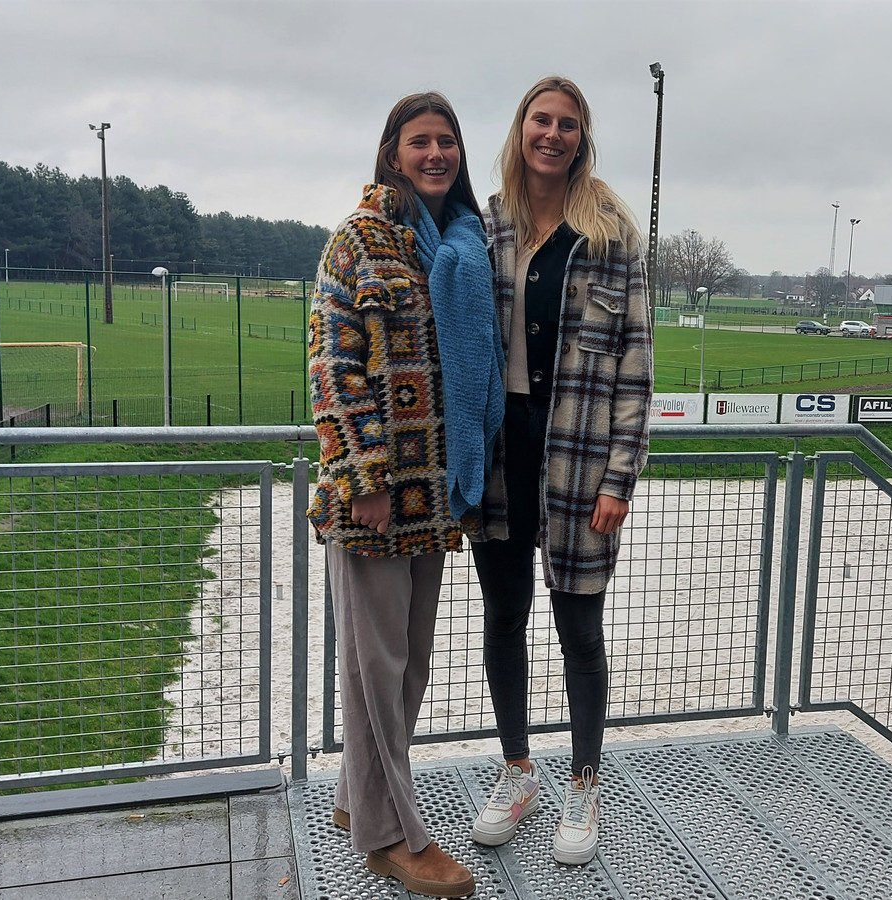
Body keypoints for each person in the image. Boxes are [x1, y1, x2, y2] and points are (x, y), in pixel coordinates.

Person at [308, 91, 503, 899]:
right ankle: (395, 837)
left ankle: (358, 802)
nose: (436, 154)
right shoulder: (359, 240)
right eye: (419, 141)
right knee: (375, 669)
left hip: (435, 500)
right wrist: (365, 478)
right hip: (377, 497)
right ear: (391, 152)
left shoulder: (458, 242)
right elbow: (332, 366)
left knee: (406, 667)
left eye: (447, 141)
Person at [465, 76, 653, 866]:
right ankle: (517, 770)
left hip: (577, 454)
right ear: (521, 130)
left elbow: (636, 366)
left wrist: (620, 478)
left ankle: (584, 782)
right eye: (540, 120)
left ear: (582, 138)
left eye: (566, 124)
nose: (552, 134)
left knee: (580, 627)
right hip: (500, 446)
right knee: (504, 615)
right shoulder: (487, 225)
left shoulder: (610, 235)